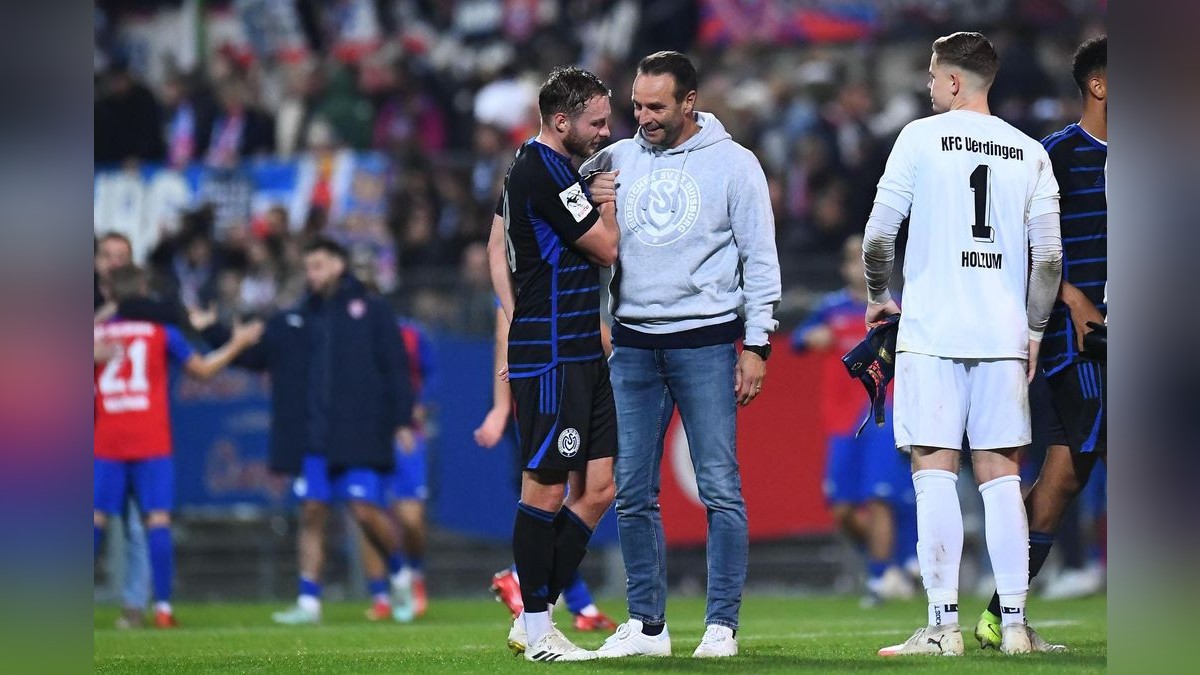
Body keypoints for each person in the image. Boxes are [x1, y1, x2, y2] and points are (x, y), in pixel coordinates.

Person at [862, 32, 1063, 656]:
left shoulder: (919, 138)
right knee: (1002, 478)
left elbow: (877, 239)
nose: (927, 86)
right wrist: (1032, 332)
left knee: (934, 473)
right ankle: (1016, 627)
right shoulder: (1031, 152)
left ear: (952, 82)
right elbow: (1050, 261)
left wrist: (877, 295)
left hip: (930, 334)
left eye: (931, 76)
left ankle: (943, 627)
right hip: (1002, 335)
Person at [579, 51, 781, 659]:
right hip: (635, 345)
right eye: (636, 105)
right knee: (631, 488)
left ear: (689, 101)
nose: (642, 117)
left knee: (720, 486)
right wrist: (589, 197)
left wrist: (758, 344)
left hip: (705, 341)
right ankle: (648, 627)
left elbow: (761, 259)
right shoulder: (615, 159)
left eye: (656, 107)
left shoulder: (734, 164)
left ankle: (722, 625)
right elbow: (561, 211)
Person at [195, 238, 416, 625]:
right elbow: (253, 356)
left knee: (365, 512)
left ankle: (399, 573)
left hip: (360, 432)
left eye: (318, 265)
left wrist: (400, 420)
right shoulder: (294, 318)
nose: (311, 273)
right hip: (312, 437)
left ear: (338, 264)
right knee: (312, 511)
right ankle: (309, 601)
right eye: (308, 266)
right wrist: (212, 330)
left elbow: (397, 368)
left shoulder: (373, 310)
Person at [974, 34, 1107, 652]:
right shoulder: (1053, 157)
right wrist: (1076, 299)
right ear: (1098, 84)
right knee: (1064, 474)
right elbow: (1023, 248)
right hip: (1076, 344)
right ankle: (1005, 609)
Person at [484, 65, 620, 663]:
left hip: (581, 346)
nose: (605, 132)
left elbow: (499, 244)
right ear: (560, 120)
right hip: (554, 353)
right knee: (544, 488)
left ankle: (530, 596)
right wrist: (607, 205)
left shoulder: (547, 167)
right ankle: (538, 628)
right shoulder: (543, 169)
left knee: (600, 486)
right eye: (596, 122)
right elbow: (606, 248)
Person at [94, 265, 263, 628]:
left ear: (111, 295)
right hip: (150, 436)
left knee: (95, 519)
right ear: (143, 288)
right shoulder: (161, 331)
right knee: (157, 519)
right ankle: (164, 608)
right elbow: (202, 370)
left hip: (107, 435)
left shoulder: (97, 333)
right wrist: (236, 343)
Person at [791, 235, 918, 607]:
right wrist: (812, 336)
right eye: (852, 261)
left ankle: (879, 580)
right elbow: (798, 340)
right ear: (845, 267)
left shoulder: (897, 308)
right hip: (842, 420)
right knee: (843, 509)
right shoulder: (831, 309)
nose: (859, 269)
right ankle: (892, 565)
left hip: (883, 412)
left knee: (879, 498)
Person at [477, 303, 618, 633]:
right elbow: (504, 325)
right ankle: (541, 597)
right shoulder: (537, 260)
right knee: (551, 495)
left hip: (577, 376)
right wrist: (499, 406)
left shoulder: (571, 273)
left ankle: (576, 603)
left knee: (589, 493)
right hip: (549, 383)